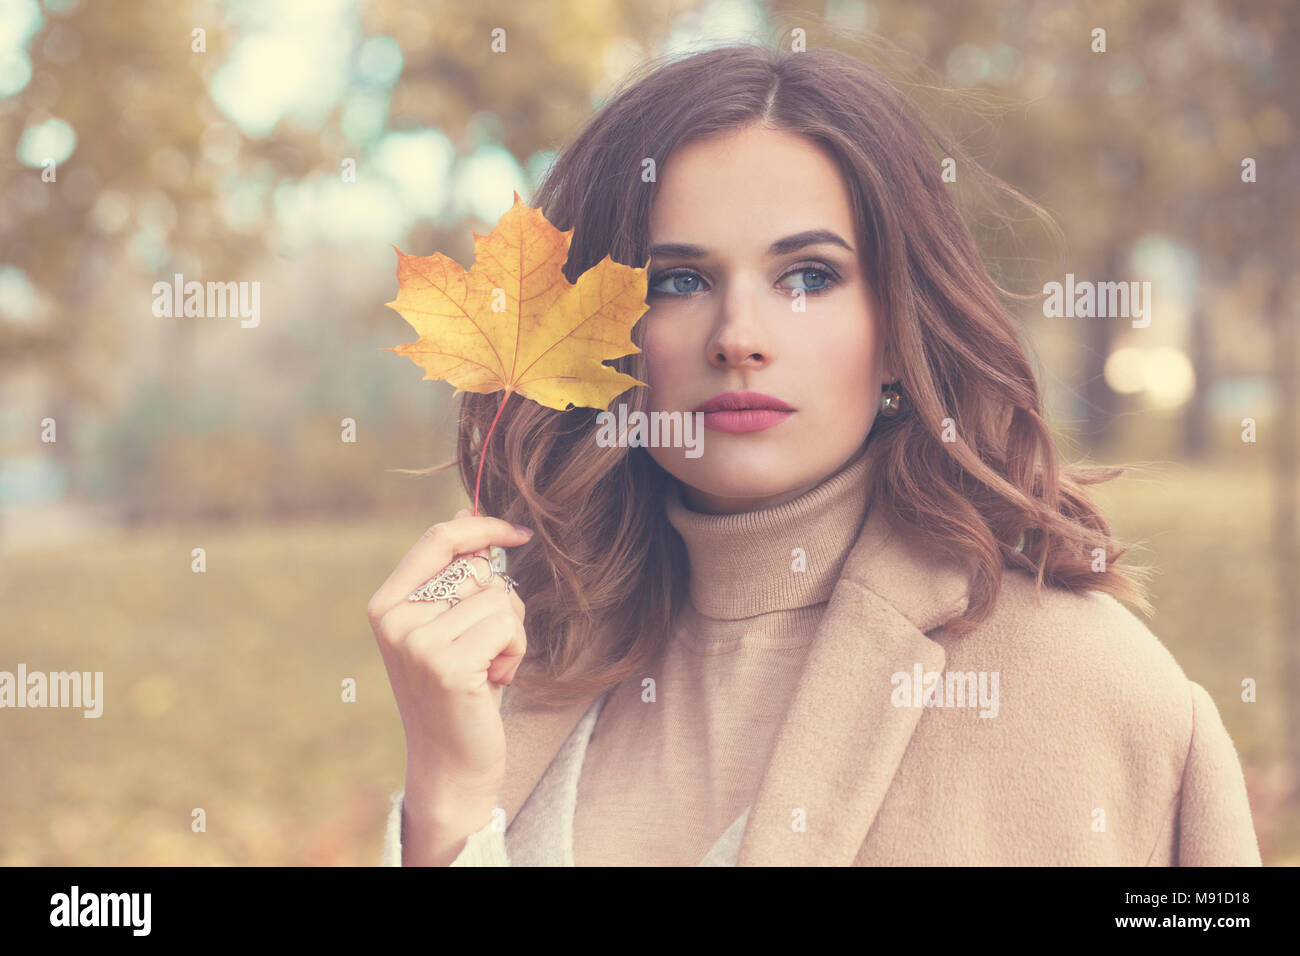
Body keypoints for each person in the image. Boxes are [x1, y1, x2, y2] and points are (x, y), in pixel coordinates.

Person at [367, 44, 1261, 866]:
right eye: (680, 280)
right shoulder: (524, 667)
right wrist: (444, 808)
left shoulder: (1097, 692)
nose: (740, 337)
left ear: (900, 322)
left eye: (809, 277)